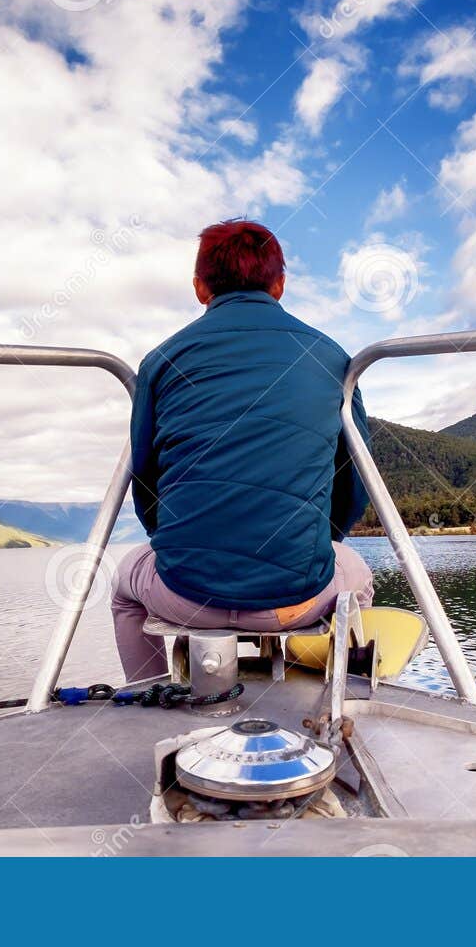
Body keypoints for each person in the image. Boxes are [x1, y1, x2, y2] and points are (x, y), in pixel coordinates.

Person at [111, 219, 375, 680]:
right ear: (280, 285)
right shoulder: (333, 358)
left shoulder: (160, 360)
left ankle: (149, 695)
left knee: (124, 586)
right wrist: (319, 539)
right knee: (360, 578)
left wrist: (182, 544)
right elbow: (355, 484)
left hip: (184, 596)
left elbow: (146, 480)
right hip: (297, 600)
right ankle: (332, 687)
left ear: (199, 288)